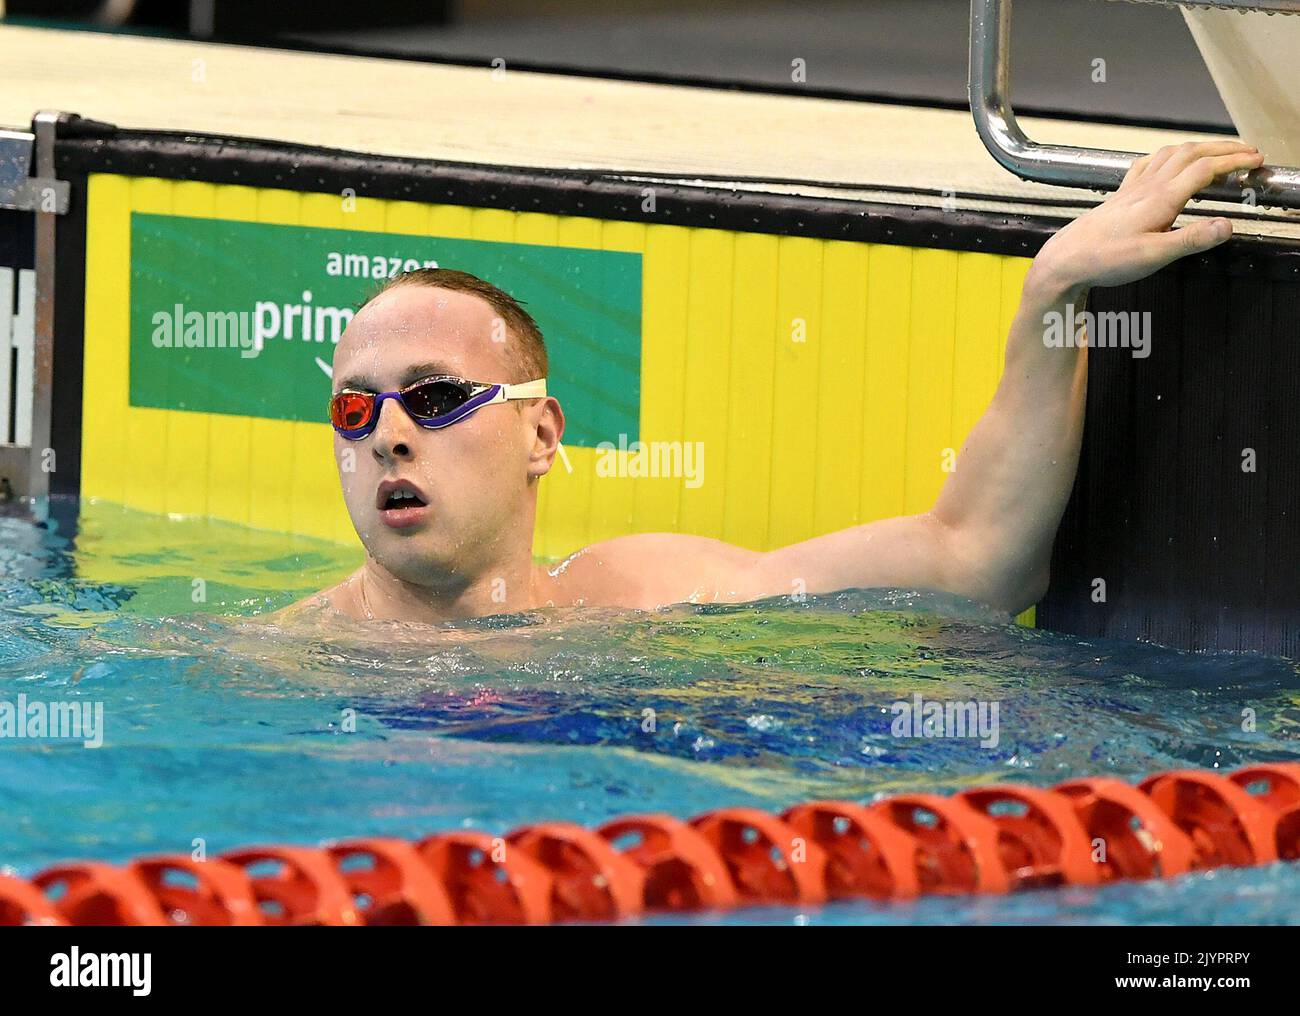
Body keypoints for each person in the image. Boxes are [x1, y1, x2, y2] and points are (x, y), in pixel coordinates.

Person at [288, 141, 1263, 625]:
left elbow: (976, 562)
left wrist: (1053, 289)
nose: (387, 435)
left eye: (434, 395)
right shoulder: (281, 660)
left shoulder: (644, 594)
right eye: (355, 407)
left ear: (542, 434)